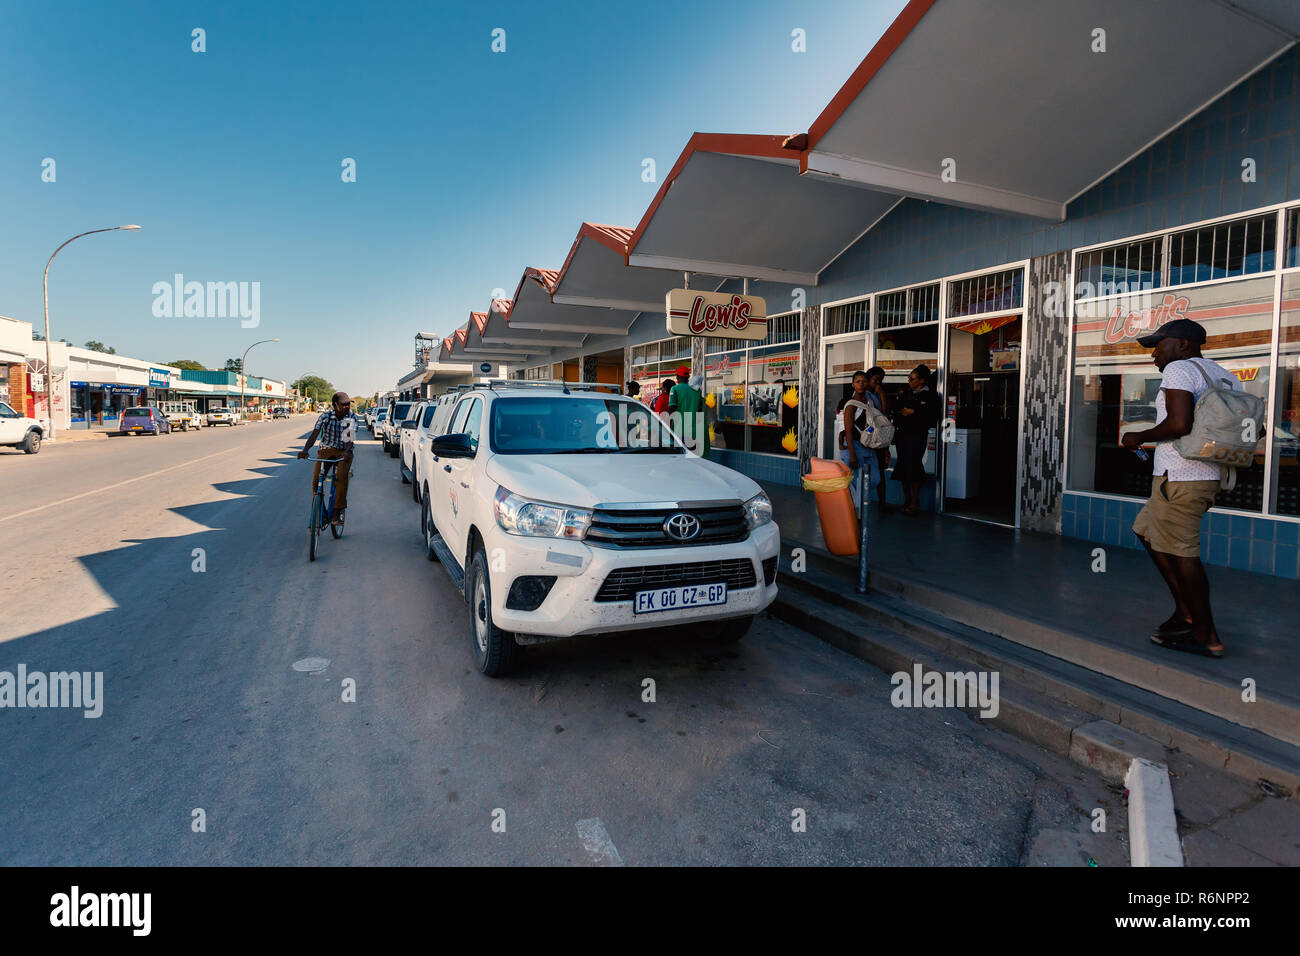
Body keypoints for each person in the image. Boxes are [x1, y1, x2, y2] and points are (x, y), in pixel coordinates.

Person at [1121, 318, 1238, 658]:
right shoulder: (1223, 376)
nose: (1154, 353)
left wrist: (1137, 437)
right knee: (1145, 531)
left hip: (1182, 477)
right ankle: (1185, 610)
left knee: (1182, 552)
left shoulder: (1179, 370)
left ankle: (1205, 635)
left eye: (1160, 344)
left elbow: (1179, 424)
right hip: (1202, 478)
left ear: (1184, 345)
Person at [299, 391, 356, 528]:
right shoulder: (326, 416)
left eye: (349, 404)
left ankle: (337, 513)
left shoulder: (350, 417)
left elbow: (348, 439)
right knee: (316, 480)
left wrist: (347, 452)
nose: (347, 407)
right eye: (344, 404)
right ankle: (319, 513)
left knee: (341, 478)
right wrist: (305, 450)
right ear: (335, 405)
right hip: (326, 450)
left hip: (343, 451)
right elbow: (314, 435)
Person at [892, 365, 939, 516]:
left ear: (922, 381)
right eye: (909, 378)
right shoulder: (905, 393)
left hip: (917, 435)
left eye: (912, 379)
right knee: (902, 465)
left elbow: (933, 416)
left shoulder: (931, 396)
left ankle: (915, 501)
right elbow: (896, 410)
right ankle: (907, 499)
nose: (909, 381)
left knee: (914, 465)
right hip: (902, 435)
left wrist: (915, 412)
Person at [839, 370, 883, 511]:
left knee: (875, 479)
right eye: (858, 381)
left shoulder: (871, 403)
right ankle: (855, 511)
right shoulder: (851, 405)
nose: (861, 384)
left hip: (869, 447)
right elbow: (848, 431)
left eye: (864, 381)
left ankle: (856, 502)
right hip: (855, 446)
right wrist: (852, 454)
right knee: (857, 481)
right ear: (853, 384)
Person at [668, 366, 709, 455]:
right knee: (693, 460)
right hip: (695, 432)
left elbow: (672, 409)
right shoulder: (697, 391)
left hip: (680, 432)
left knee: (680, 461)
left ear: (677, 377)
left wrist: (666, 428)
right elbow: (699, 410)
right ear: (688, 377)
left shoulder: (674, 389)